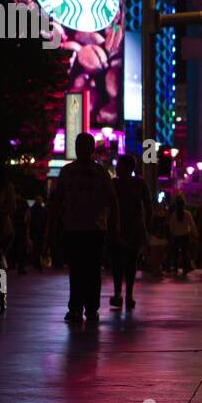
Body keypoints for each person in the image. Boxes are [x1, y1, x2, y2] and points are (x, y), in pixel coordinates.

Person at [49, 133, 119, 324]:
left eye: (83, 145)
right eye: (79, 145)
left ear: (91, 148)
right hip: (80, 227)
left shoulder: (91, 172)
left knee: (87, 270)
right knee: (83, 270)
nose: (81, 149)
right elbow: (58, 199)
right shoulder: (86, 172)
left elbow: (112, 200)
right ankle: (81, 308)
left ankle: (86, 308)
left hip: (90, 228)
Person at [110, 155, 152, 310]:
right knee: (118, 263)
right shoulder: (114, 183)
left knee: (129, 262)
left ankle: (127, 294)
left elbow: (148, 206)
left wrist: (148, 226)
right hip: (118, 227)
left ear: (128, 168)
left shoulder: (138, 183)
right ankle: (119, 293)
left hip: (133, 229)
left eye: (120, 165)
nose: (117, 168)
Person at [168, 195, 197, 277]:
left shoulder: (174, 215)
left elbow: (171, 227)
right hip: (185, 236)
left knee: (175, 254)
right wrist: (196, 234)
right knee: (185, 253)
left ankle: (175, 269)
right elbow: (192, 225)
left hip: (176, 236)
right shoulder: (187, 214)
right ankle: (185, 269)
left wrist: (172, 234)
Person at [10, 199, 31, 275]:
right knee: (22, 249)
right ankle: (21, 267)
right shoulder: (24, 204)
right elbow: (26, 219)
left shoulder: (14, 203)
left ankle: (11, 264)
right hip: (22, 230)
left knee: (14, 248)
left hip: (14, 228)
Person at [29, 196, 49, 271]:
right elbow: (47, 222)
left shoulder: (32, 209)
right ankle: (38, 261)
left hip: (34, 230)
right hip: (41, 230)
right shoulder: (45, 210)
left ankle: (36, 261)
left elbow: (29, 220)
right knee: (39, 246)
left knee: (36, 246)